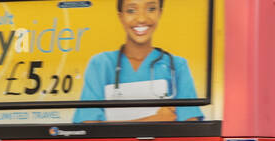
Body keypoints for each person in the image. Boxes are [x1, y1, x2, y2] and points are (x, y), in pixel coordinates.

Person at [73, 0, 203, 123]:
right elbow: (88, 126)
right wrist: (156, 120)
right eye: (131, 10)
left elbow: (191, 124)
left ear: (160, 13)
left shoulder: (177, 65)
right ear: (121, 17)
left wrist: (111, 126)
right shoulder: (101, 64)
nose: (141, 18)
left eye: (151, 9)